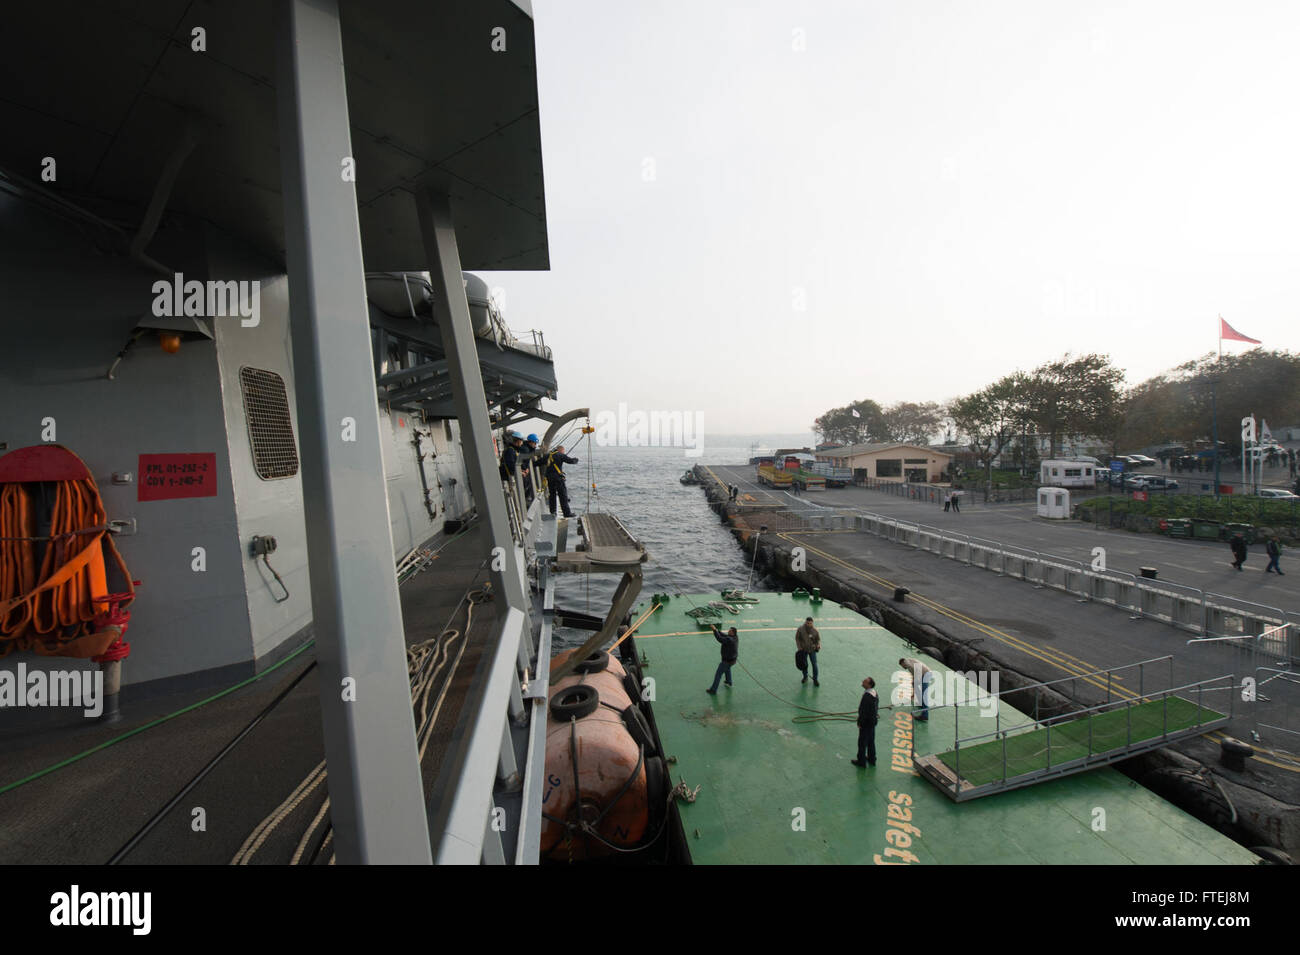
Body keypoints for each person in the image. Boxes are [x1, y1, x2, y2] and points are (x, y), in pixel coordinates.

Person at [545, 444, 580, 518]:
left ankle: (553, 512)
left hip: (549, 478)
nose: (564, 453)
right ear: (561, 450)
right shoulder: (560, 455)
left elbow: (539, 462)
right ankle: (567, 513)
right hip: (558, 478)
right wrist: (576, 459)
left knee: (552, 495)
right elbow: (570, 461)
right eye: (563, 451)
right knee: (563, 495)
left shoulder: (549, 455)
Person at [851, 676, 878, 768]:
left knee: (862, 742)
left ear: (869, 684)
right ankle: (872, 758)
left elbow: (863, 712)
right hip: (872, 722)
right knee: (871, 741)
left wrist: (860, 722)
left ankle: (861, 761)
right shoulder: (875, 693)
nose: (863, 682)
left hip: (866, 723)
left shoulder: (867, 696)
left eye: (865, 681)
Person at [706, 624, 739, 694]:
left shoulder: (729, 640)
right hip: (733, 660)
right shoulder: (735, 637)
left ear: (732, 632)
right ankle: (728, 682)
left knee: (718, 674)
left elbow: (719, 638)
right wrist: (718, 631)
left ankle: (713, 690)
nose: (728, 631)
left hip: (726, 661)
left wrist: (714, 630)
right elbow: (726, 636)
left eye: (729, 631)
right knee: (727, 669)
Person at [899, 656, 934, 721]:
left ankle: (925, 715)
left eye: (901, 666)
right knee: (914, 684)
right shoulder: (910, 661)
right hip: (925, 673)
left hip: (925, 674)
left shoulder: (906, 662)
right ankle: (920, 703)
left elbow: (916, 670)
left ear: (902, 663)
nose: (903, 667)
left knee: (924, 694)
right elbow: (914, 673)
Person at [795, 616, 821, 685]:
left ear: (812, 623)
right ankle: (805, 677)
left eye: (810, 623)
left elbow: (818, 639)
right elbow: (797, 638)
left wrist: (818, 645)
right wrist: (799, 647)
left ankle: (815, 679)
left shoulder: (815, 631)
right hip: (803, 650)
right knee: (804, 664)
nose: (808, 624)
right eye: (807, 623)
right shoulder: (800, 629)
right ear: (805, 622)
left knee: (814, 665)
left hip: (812, 650)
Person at [520, 434, 539, 505]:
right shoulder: (525, 449)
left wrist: (527, 468)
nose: (535, 445)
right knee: (526, 483)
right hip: (522, 471)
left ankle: (526, 498)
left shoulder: (528, 449)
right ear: (530, 442)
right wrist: (523, 469)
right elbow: (521, 461)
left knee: (527, 483)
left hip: (524, 469)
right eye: (534, 443)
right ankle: (524, 500)